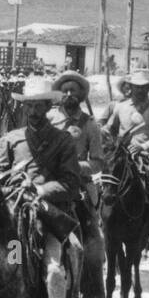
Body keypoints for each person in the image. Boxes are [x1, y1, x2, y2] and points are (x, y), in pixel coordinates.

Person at [0, 75, 83, 298]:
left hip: (50, 218)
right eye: (29, 106)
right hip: (16, 222)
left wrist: (39, 190)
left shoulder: (63, 140)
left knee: (55, 271)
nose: (33, 111)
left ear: (48, 107)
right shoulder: (13, 139)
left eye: (39, 105)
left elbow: (71, 184)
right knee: (7, 266)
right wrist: (9, 187)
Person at [104, 70, 149, 265]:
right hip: (121, 157)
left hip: (148, 159)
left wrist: (142, 146)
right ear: (130, 87)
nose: (140, 90)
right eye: (136, 87)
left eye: (144, 87)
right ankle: (103, 234)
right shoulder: (120, 107)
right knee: (105, 188)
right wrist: (104, 134)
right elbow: (110, 128)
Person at [48, 71, 104, 213]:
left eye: (72, 90)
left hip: (78, 185)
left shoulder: (90, 124)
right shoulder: (48, 120)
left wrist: (76, 166)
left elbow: (98, 162)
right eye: (64, 91)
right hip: (48, 181)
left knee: (93, 233)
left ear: (81, 94)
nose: (68, 94)